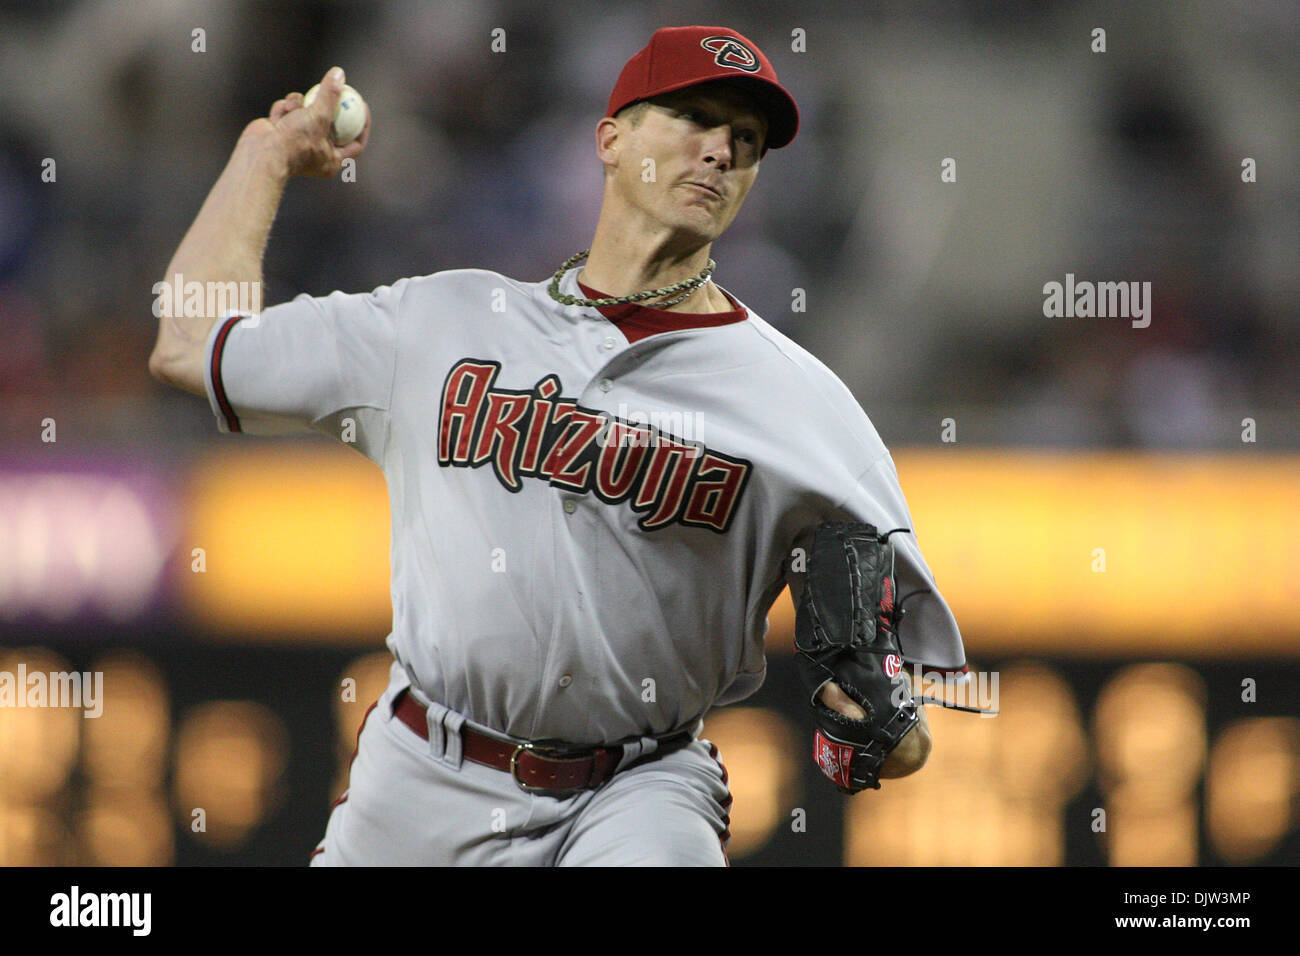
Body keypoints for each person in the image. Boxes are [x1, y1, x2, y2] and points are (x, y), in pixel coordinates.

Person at [148, 25, 966, 866]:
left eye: (747, 140)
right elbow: (191, 344)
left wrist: (879, 722)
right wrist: (267, 152)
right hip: (425, 776)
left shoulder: (801, 405)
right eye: (694, 117)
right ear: (609, 139)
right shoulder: (444, 322)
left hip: (639, 790)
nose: (721, 150)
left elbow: (903, 722)